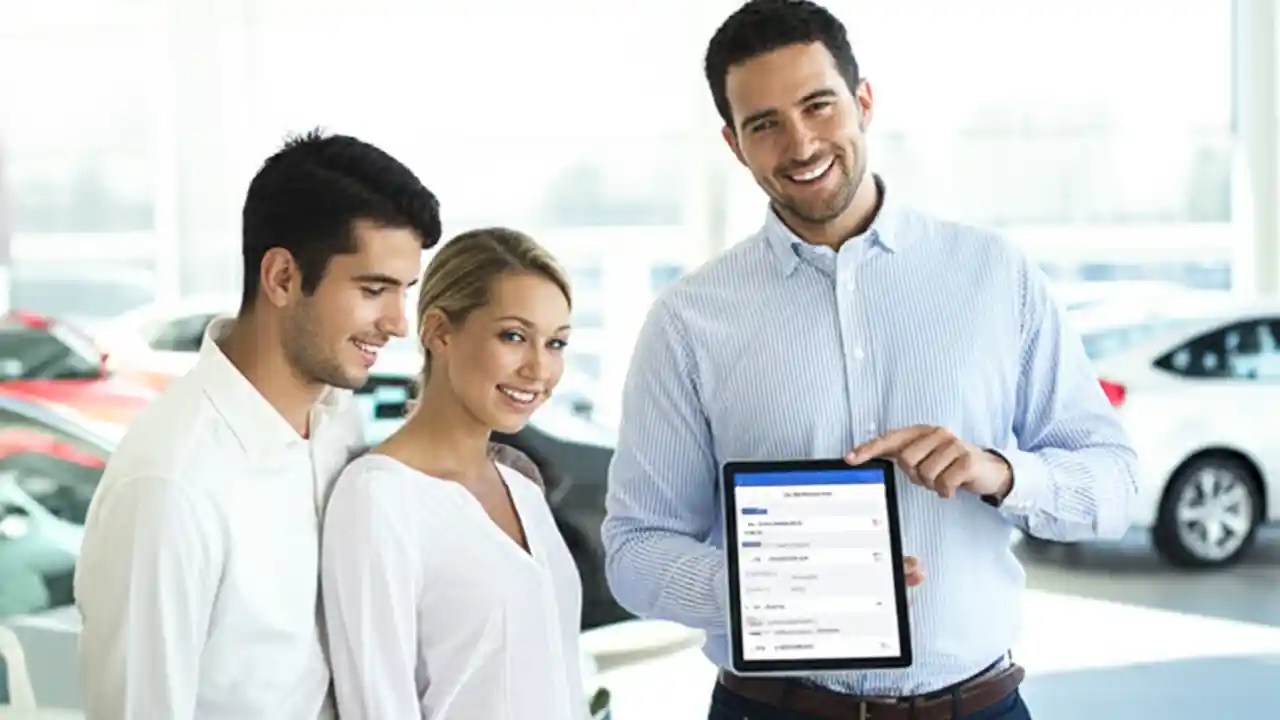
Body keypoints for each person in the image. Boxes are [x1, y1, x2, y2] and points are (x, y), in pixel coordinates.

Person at [602, 1, 1139, 718]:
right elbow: (635, 550)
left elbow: (1114, 486)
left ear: (863, 102)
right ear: (735, 144)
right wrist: (768, 586)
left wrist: (999, 472)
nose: (800, 144)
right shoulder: (688, 321)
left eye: (818, 106)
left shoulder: (993, 276)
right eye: (765, 124)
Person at [73, 129, 442, 720]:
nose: (397, 323)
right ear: (282, 278)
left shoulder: (332, 422)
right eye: (374, 289)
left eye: (404, 292)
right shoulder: (171, 485)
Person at [320, 227, 588, 720]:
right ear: (439, 331)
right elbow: (377, 706)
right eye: (514, 336)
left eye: (555, 344)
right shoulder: (379, 499)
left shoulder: (520, 488)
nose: (538, 368)